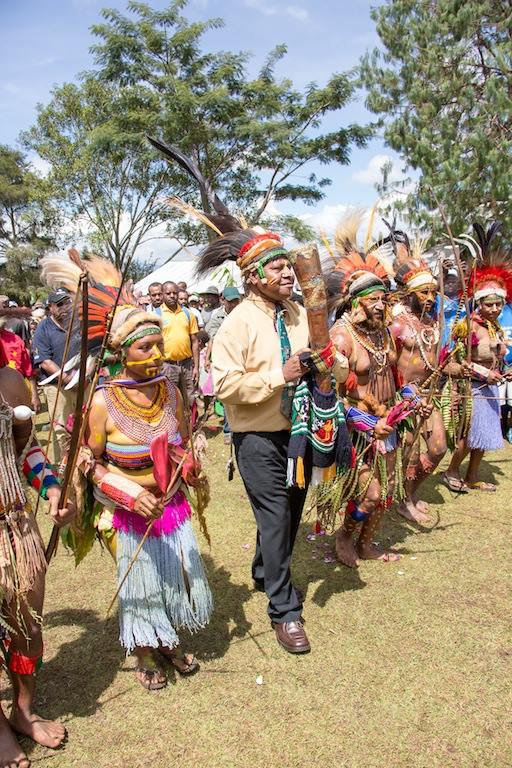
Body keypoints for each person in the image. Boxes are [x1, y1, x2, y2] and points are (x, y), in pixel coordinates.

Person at [40, 252, 213, 691]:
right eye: (145, 347)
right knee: (144, 581)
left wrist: (189, 467)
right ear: (120, 351)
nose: (156, 355)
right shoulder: (101, 402)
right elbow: (88, 464)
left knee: (177, 573)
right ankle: (143, 649)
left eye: (158, 345)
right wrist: (128, 495)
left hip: (170, 507)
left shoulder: (172, 393)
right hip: (125, 513)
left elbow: (183, 442)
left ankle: (168, 639)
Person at [208, 229, 312, 654]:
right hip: (256, 438)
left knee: (291, 512)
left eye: (289, 265)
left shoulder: (301, 315)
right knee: (275, 518)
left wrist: (330, 364)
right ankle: (284, 611)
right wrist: (277, 377)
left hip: (301, 433)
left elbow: (324, 360)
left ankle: (262, 569)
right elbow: (225, 386)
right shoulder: (236, 323)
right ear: (252, 276)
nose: (288, 272)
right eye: (277, 266)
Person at [329, 214, 429, 567]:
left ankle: (366, 543)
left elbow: (397, 378)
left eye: (383, 300)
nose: (380, 306)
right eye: (373, 300)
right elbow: (332, 395)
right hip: (360, 427)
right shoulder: (341, 336)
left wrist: (410, 400)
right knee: (369, 494)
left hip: (391, 420)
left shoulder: (384, 333)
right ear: (355, 302)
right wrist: (366, 421)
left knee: (387, 490)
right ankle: (343, 536)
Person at [0, 333, 75, 768]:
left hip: (13, 526)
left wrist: (49, 491)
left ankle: (23, 709)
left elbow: (28, 451)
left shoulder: (9, 381)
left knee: (28, 626)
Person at [444, 222, 511, 492]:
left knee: (484, 436)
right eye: (489, 304)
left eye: (498, 304)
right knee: (468, 436)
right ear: (479, 303)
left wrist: (504, 371)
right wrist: (485, 374)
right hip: (471, 388)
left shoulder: (494, 327)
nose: (494, 309)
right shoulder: (467, 326)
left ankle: (472, 476)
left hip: (491, 389)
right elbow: (456, 360)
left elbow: (498, 357)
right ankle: (450, 471)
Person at [390, 258, 447, 523]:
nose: (430, 297)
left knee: (438, 448)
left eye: (433, 292)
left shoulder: (433, 323)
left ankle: (409, 493)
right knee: (408, 453)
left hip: (428, 394)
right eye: (424, 292)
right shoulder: (397, 324)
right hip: (404, 396)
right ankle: (403, 500)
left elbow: (437, 361)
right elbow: (388, 363)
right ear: (409, 294)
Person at [32, 289, 80, 467]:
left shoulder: (78, 323)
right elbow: (44, 361)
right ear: (50, 308)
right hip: (57, 387)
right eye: (59, 304)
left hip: (83, 384)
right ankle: (63, 468)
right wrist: (69, 380)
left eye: (67, 302)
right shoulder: (43, 328)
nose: (65, 307)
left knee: (85, 426)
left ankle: (83, 465)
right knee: (62, 429)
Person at [205, 286, 242, 444]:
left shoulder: (245, 314)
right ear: (223, 300)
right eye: (230, 301)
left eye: (236, 301)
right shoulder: (217, 317)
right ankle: (228, 430)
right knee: (228, 396)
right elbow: (213, 334)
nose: (234, 304)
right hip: (225, 361)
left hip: (243, 359)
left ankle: (241, 427)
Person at [160, 281, 199, 404]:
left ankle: (190, 423)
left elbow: (195, 342)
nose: (172, 296)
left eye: (174, 293)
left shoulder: (188, 314)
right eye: (168, 293)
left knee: (189, 400)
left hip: (187, 365)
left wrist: (196, 367)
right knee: (170, 401)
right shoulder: (156, 315)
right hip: (167, 366)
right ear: (162, 295)